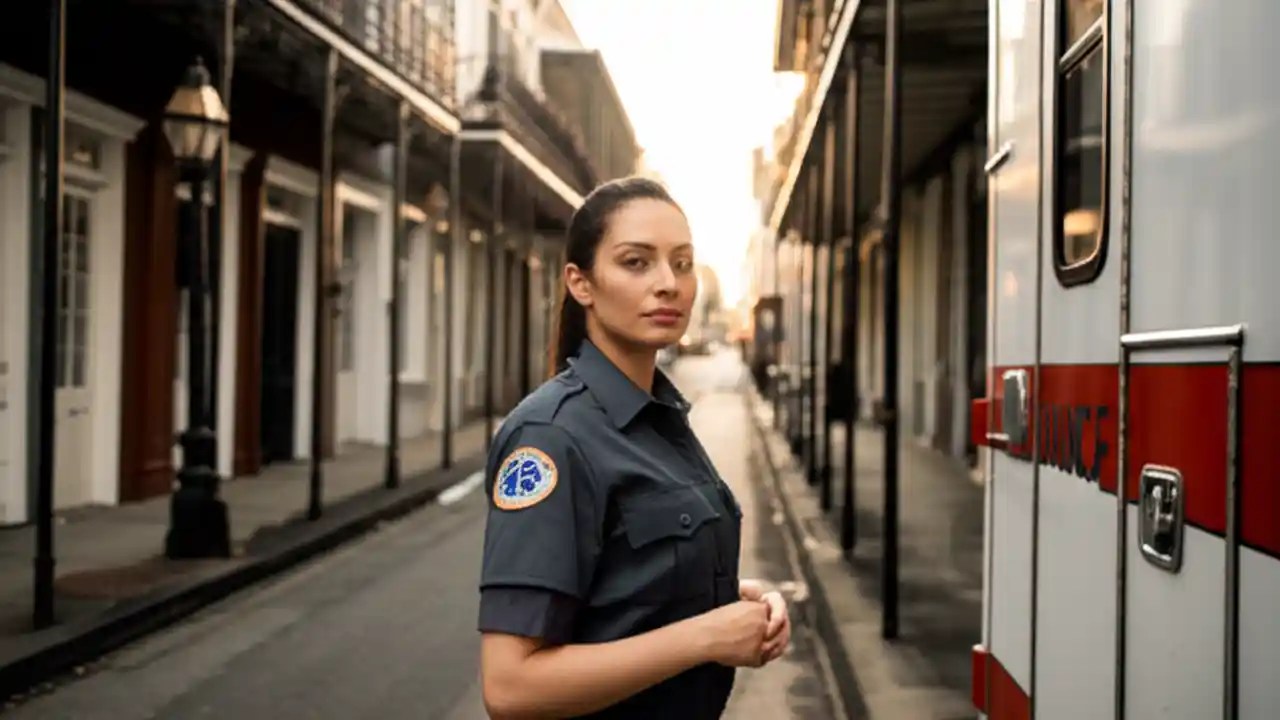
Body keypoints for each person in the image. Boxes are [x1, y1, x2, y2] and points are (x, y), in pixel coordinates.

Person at [477, 177, 792, 719]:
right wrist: (706, 636)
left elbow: (621, 585)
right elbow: (511, 686)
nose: (669, 283)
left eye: (683, 263)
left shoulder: (661, 419)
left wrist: (725, 599)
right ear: (582, 283)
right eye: (636, 262)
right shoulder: (552, 437)